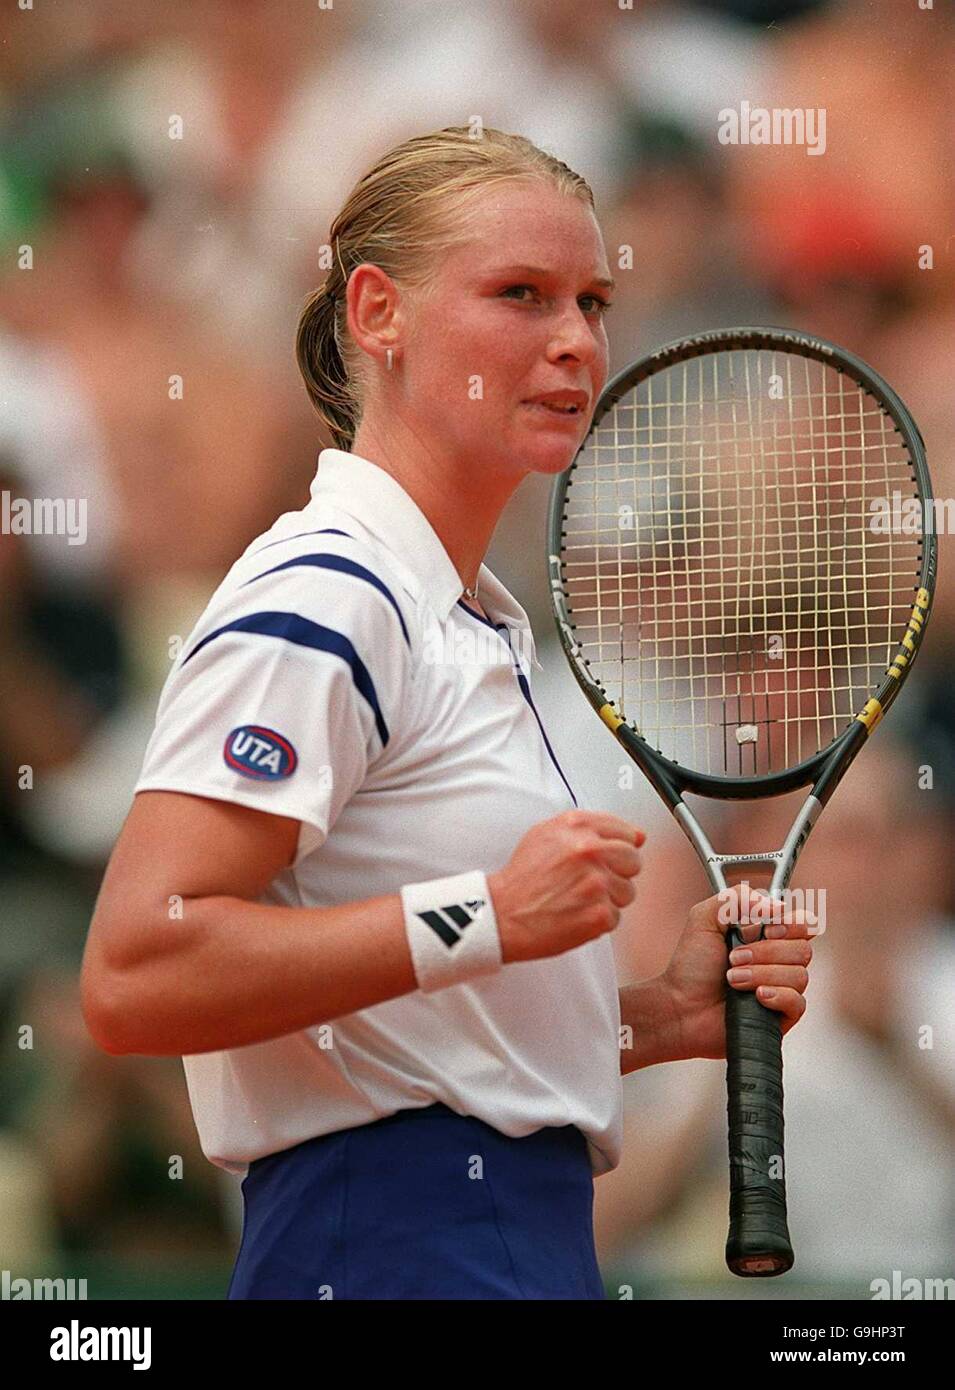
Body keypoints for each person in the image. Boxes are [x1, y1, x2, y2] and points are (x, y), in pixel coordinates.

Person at [80, 127, 814, 1300]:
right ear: (378, 314)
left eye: (591, 298)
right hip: (382, 1250)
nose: (576, 338)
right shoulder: (326, 592)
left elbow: (424, 1043)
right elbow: (134, 969)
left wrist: (650, 1019)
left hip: (518, 1242)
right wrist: (486, 913)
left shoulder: (468, 616)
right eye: (520, 294)